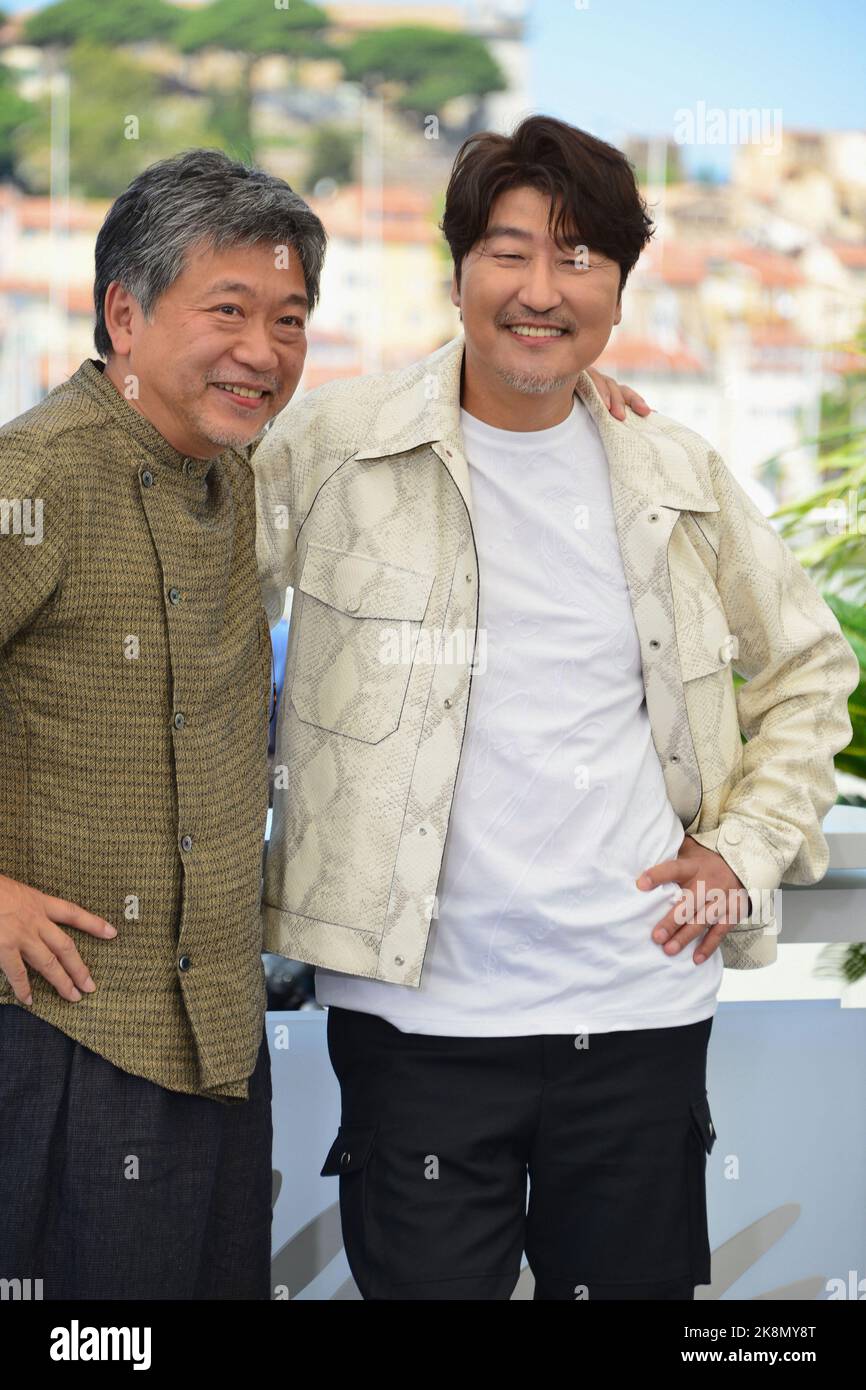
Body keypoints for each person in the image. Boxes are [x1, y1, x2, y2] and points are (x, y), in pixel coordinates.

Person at [0, 143, 640, 1300]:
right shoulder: (40, 474)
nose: (264, 352)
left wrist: (575, 398)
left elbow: (410, 424)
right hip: (65, 1037)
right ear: (123, 314)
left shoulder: (241, 469)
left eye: (289, 318)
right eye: (228, 310)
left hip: (217, 1043)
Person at [253, 115, 861, 1301]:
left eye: (579, 256)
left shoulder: (673, 472)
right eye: (509, 249)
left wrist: (740, 848)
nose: (540, 289)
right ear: (458, 270)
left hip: (632, 1017)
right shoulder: (329, 448)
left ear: (622, 292)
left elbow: (808, 669)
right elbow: (184, 618)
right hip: (413, 1024)